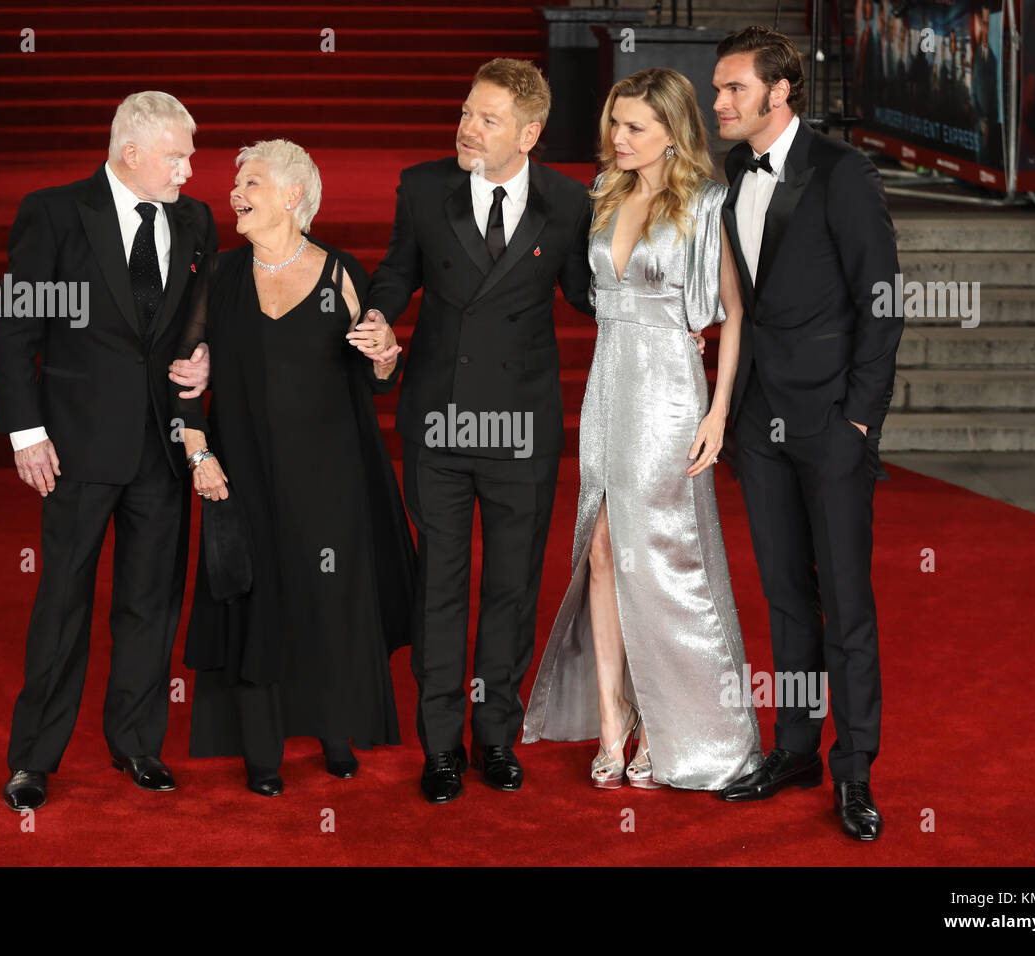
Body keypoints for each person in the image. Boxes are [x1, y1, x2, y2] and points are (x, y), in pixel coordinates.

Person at [521, 68, 762, 791]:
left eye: (634, 128)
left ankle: (667, 721)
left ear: (672, 132)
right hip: (609, 382)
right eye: (614, 125)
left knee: (658, 556)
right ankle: (611, 718)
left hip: (668, 391)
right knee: (599, 548)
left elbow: (735, 311)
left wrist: (718, 412)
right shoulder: (602, 193)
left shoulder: (706, 201)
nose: (617, 139)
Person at [362, 58, 594, 803]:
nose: (466, 128)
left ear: (528, 133)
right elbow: (399, 272)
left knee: (510, 587)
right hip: (439, 418)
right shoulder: (423, 187)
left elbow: (588, 294)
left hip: (523, 427)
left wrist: (661, 315)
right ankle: (440, 745)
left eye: (486, 119)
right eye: (465, 112)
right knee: (441, 585)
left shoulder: (567, 202)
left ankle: (495, 734)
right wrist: (374, 315)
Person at [0, 91, 218, 811]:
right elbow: (16, 328)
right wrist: (27, 433)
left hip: (162, 447)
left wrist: (204, 359)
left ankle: (136, 744)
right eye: (178, 156)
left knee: (151, 603)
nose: (189, 169)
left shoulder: (196, 221)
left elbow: (196, 322)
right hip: (75, 449)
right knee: (63, 601)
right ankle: (34, 758)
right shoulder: (56, 212)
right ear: (132, 153)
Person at [176, 140, 416, 797]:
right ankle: (261, 750)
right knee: (257, 598)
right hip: (244, 471)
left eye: (250, 182)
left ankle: (333, 731)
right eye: (235, 183)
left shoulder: (341, 272)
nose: (235, 194)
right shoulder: (220, 275)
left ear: (291, 196)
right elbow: (187, 372)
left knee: (328, 599)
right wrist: (197, 450)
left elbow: (375, 376)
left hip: (333, 476)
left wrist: (387, 353)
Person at [711, 27, 901, 841]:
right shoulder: (730, 169)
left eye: (734, 90)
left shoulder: (842, 172)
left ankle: (854, 772)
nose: (718, 103)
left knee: (845, 607)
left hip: (830, 419)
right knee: (786, 598)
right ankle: (795, 747)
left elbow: (882, 300)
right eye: (718, 90)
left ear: (779, 93)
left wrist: (861, 416)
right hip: (760, 419)